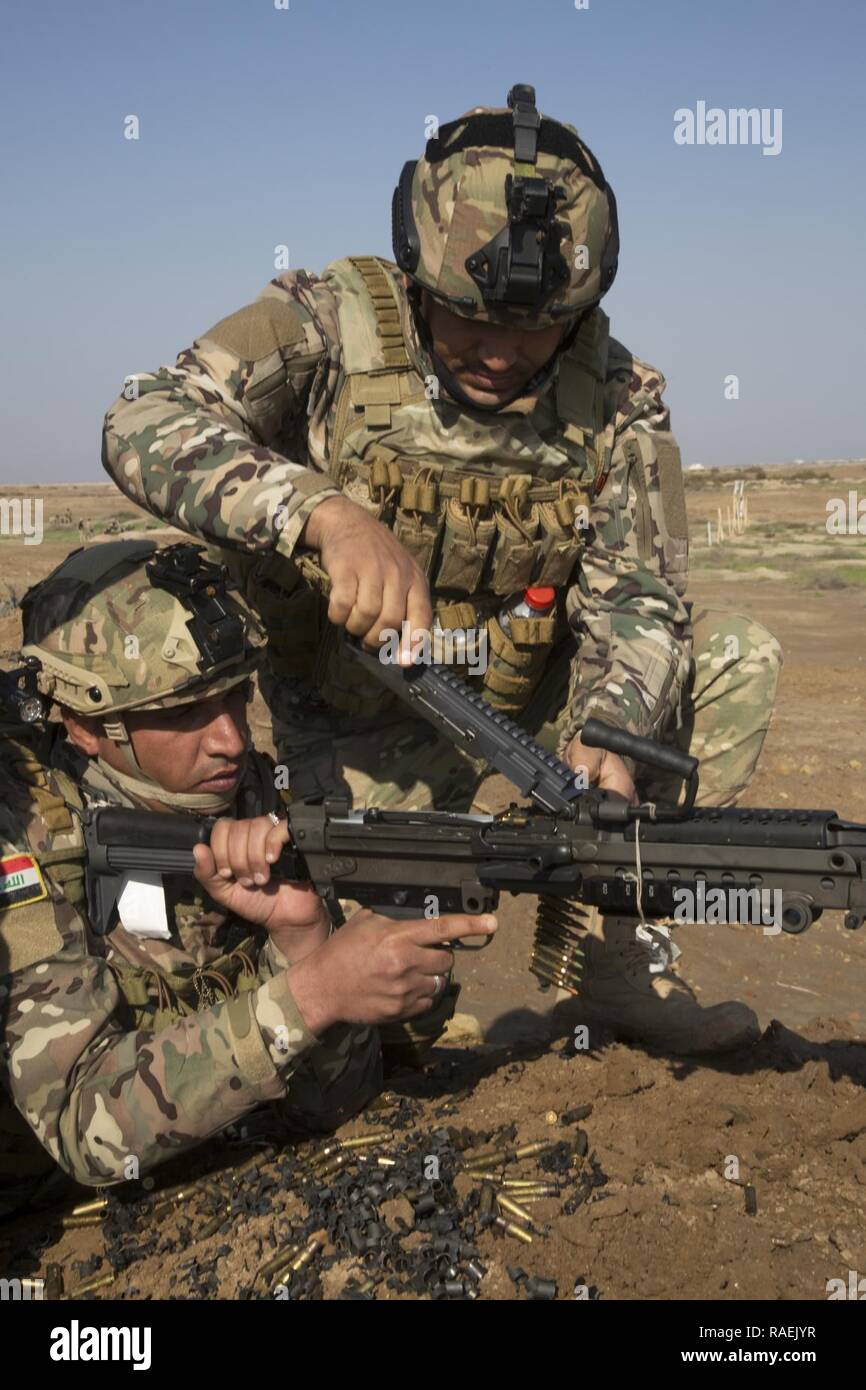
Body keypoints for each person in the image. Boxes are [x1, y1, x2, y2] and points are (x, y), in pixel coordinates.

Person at [101, 84, 781, 1054]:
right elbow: (142, 418)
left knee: (729, 656)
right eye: (467, 320)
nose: (498, 355)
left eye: (534, 331)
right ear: (417, 269)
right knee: (379, 1036)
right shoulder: (323, 319)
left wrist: (612, 734)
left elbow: (640, 594)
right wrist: (319, 512)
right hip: (355, 739)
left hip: (532, 719)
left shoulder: (619, 395)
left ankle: (618, 968)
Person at [0, 540, 492, 1216]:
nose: (231, 738)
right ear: (86, 725)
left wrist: (304, 941)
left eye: (235, 695)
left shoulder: (243, 787)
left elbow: (333, 1106)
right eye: (183, 712)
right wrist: (311, 994)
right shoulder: (23, 837)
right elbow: (86, 1126)